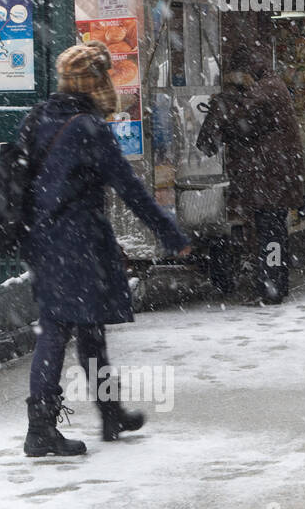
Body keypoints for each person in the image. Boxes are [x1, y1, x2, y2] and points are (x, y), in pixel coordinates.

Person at [22, 41, 191, 457]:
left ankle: (110, 411)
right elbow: (129, 187)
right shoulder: (88, 128)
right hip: (78, 242)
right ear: (96, 82)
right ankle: (41, 429)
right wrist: (168, 233)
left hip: (43, 240)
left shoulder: (39, 118)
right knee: (58, 331)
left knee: (88, 328)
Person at [197, 44, 305, 305]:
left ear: (246, 71)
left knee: (270, 233)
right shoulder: (270, 86)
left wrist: (221, 105)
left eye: (236, 77)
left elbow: (241, 118)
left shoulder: (266, 91)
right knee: (273, 231)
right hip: (274, 176)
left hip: (270, 177)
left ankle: (272, 289)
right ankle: (275, 285)